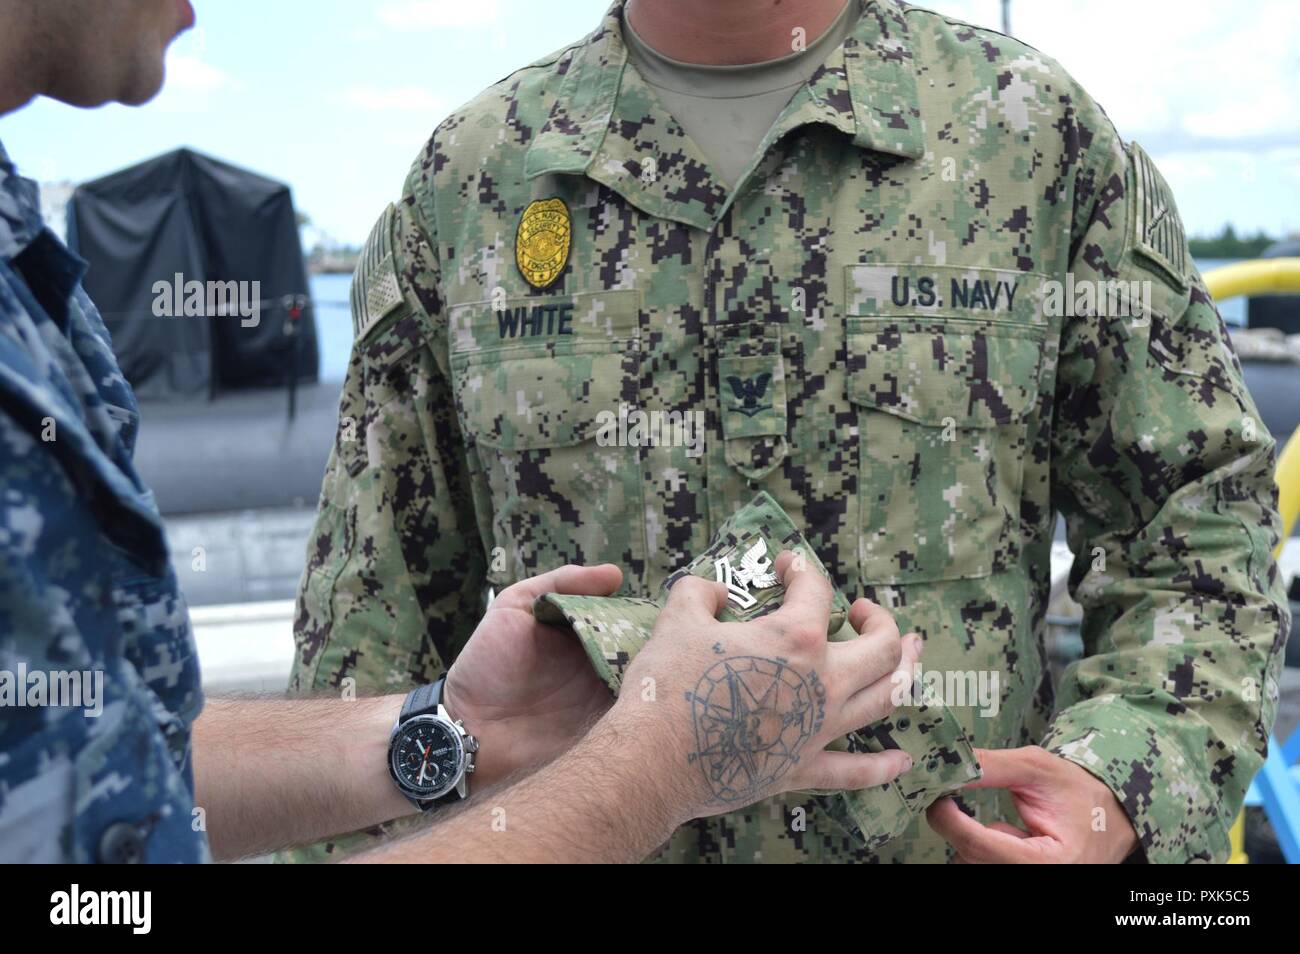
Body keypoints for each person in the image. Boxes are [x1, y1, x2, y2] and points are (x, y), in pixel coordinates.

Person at [295, 0, 1290, 864]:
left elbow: (1193, 516)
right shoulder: (472, 182)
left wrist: (1121, 778)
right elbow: (366, 630)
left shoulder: (1031, 138)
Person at [0, 0, 916, 864]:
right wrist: (658, 765)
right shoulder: (471, 172)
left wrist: (455, 728)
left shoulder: (28, 280)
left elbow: (108, 760)